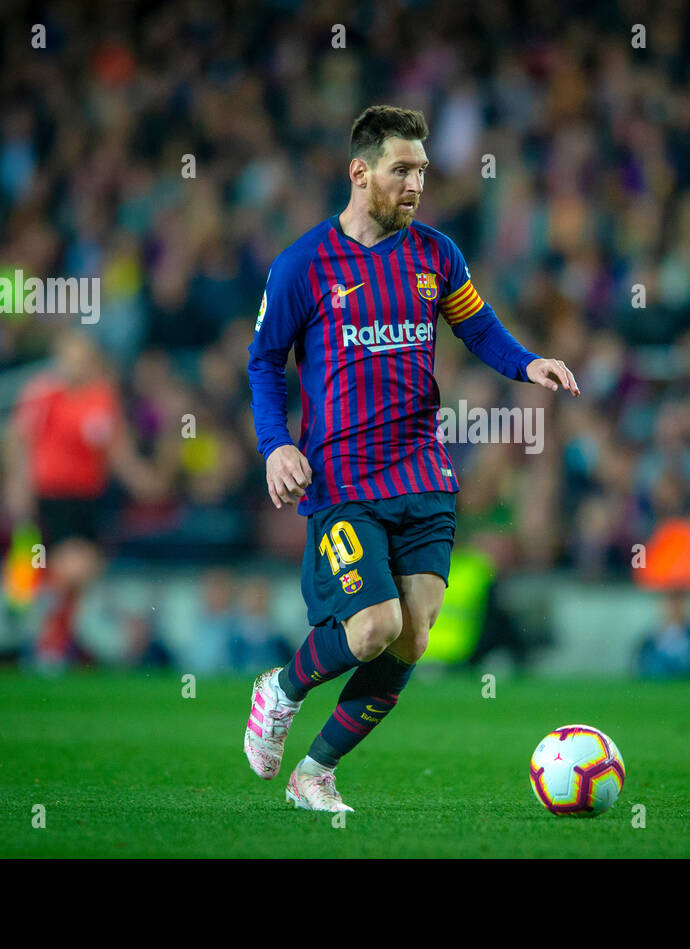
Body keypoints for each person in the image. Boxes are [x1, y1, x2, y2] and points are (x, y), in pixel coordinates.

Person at [243, 105, 579, 811]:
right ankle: (281, 687)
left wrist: (528, 364)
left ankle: (315, 773)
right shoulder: (303, 264)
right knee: (373, 627)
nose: (416, 183)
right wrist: (275, 446)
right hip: (342, 477)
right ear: (359, 172)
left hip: (423, 473)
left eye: (423, 170)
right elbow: (265, 363)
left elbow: (478, 326)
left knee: (413, 637)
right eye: (402, 169)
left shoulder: (436, 254)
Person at [3, 330, 162, 666]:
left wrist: (143, 480)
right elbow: (18, 440)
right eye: (73, 358)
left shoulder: (103, 396)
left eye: (85, 358)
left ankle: (53, 640)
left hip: (89, 498)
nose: (79, 365)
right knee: (75, 565)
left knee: (82, 571)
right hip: (51, 496)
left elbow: (117, 448)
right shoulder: (43, 393)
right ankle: (45, 630)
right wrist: (17, 487)